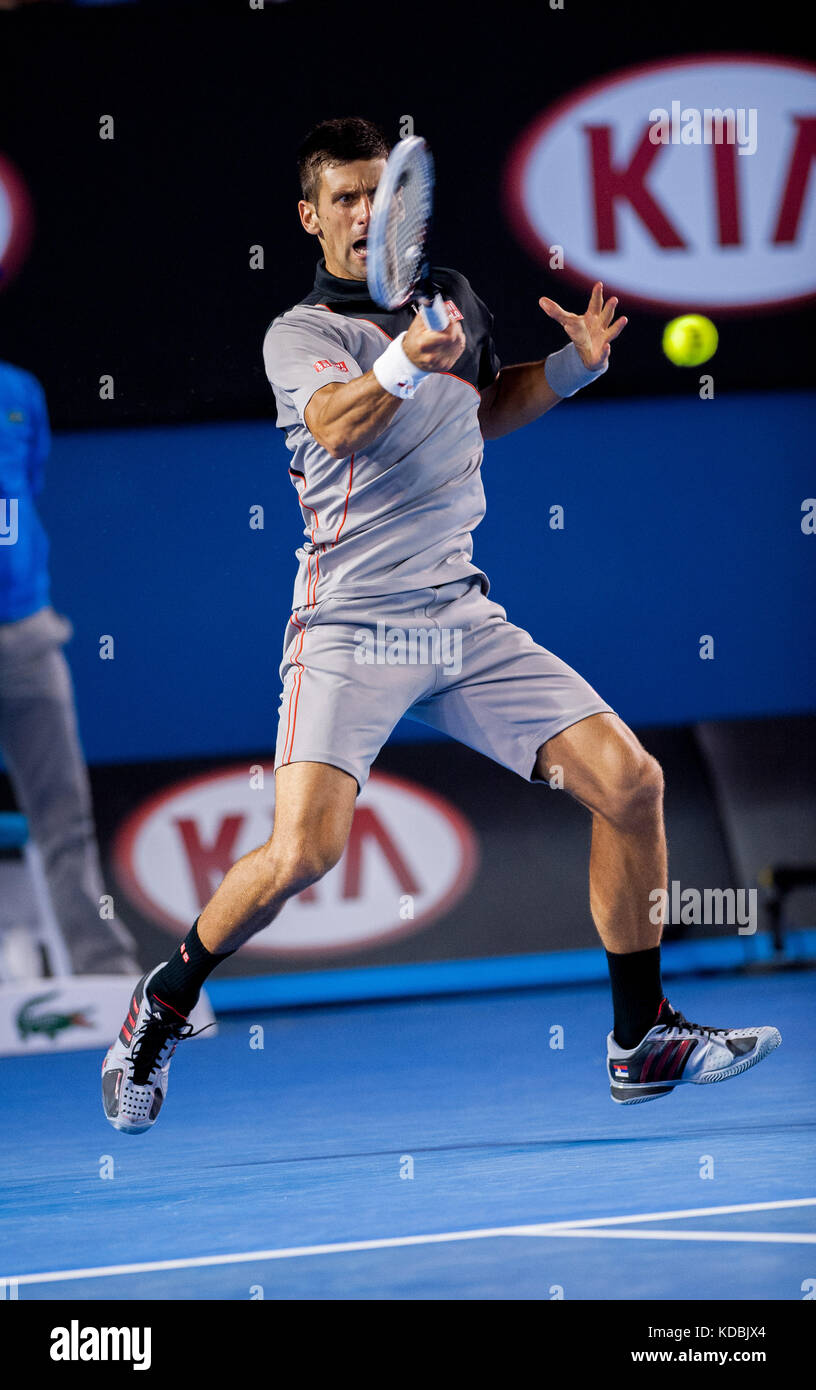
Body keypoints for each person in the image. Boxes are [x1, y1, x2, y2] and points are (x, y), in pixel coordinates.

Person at [101, 117, 780, 1134]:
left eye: (377, 193)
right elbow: (337, 423)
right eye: (342, 197)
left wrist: (573, 367)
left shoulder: (449, 296)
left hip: (459, 616)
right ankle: (162, 1002)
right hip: (350, 625)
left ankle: (639, 1037)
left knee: (631, 783)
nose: (364, 212)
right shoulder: (300, 336)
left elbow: (486, 407)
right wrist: (403, 363)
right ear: (309, 217)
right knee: (304, 853)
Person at [0, 358, 140, 976]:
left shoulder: (18, 390)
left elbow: (24, 488)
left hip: (29, 632)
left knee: (63, 817)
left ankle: (104, 977)